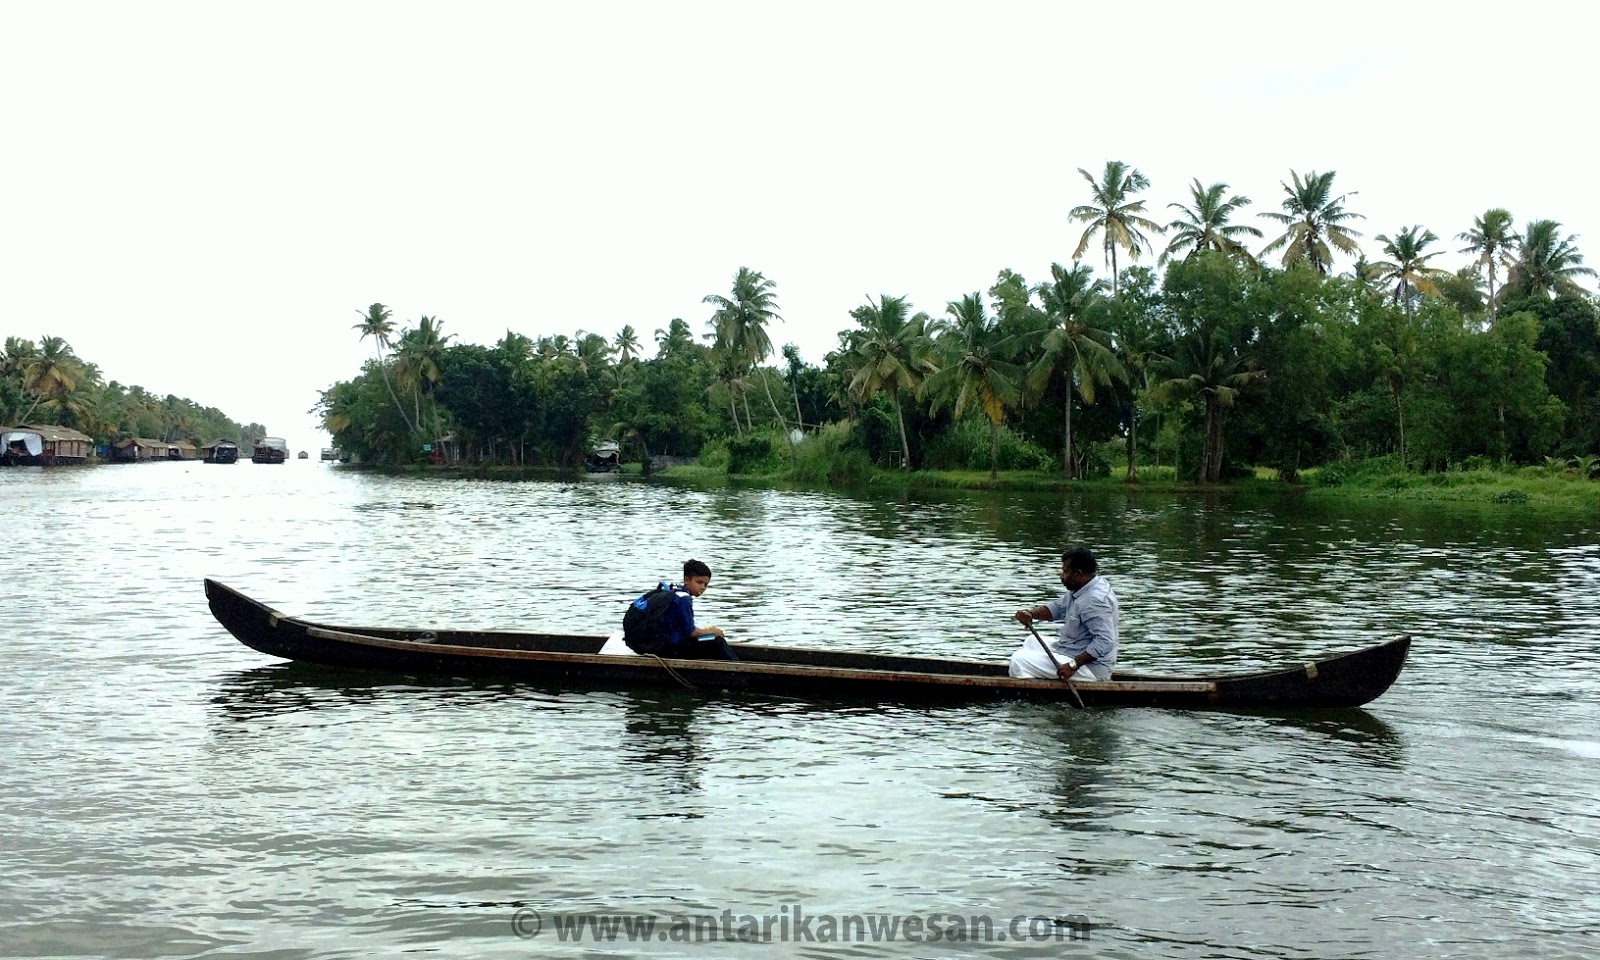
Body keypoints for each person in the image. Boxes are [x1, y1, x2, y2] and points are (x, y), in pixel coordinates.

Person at [1008, 548, 1119, 681]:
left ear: (1078, 573)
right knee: (1031, 641)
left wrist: (1073, 665)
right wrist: (1031, 614)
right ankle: (1040, 680)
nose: (1061, 576)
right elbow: (1058, 608)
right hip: (1071, 651)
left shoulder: (1095, 601)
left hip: (1089, 668)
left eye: (1065, 572)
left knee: (1018, 660)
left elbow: (1105, 642)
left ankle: (1033, 691)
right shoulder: (1083, 587)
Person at [623, 559, 737, 661]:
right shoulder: (684, 598)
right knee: (717, 642)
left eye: (705, 585)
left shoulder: (673, 592)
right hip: (671, 649)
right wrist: (713, 631)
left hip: (659, 645)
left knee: (709, 639)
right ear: (687, 580)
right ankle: (737, 668)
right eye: (699, 582)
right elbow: (691, 632)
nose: (702, 587)